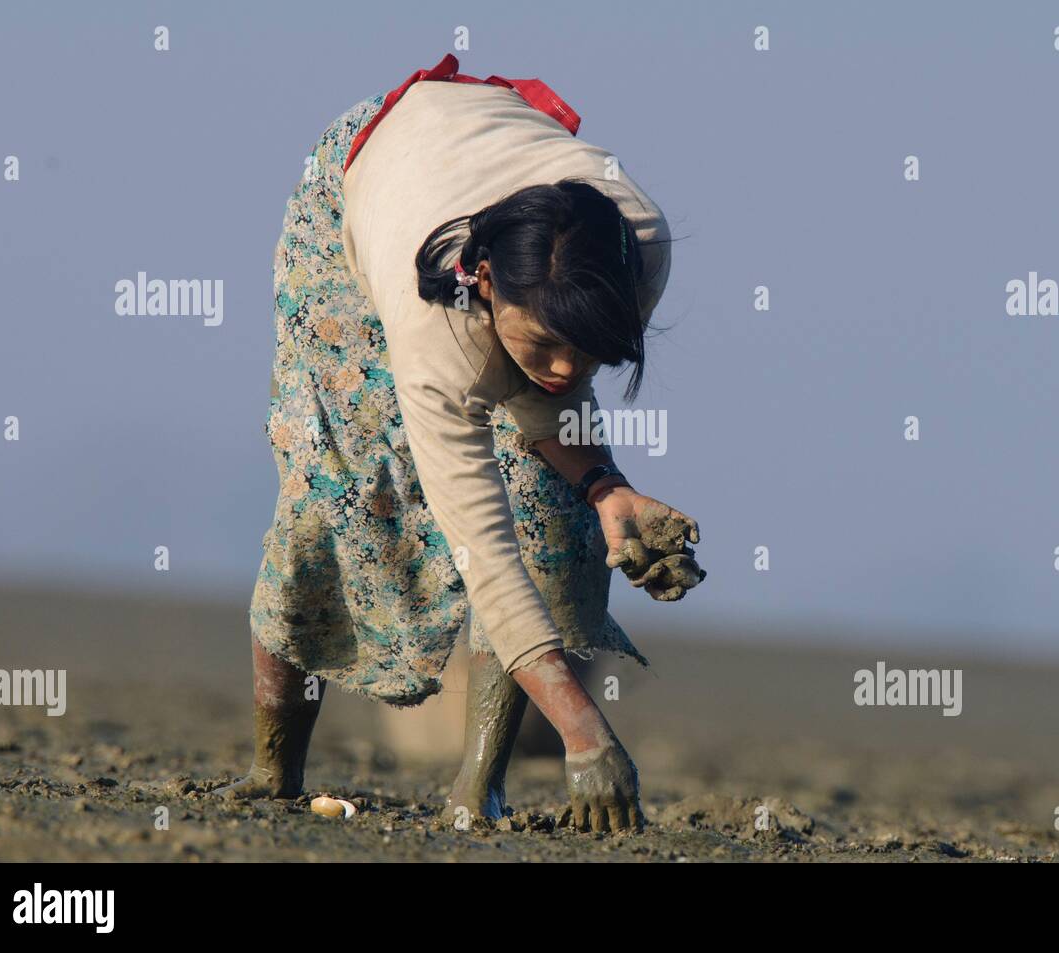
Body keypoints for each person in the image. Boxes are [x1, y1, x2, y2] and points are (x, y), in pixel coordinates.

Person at [215, 54, 704, 834]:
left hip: (474, 157)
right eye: (545, 341)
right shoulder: (434, 329)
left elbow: (552, 394)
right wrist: (585, 733)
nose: (569, 367)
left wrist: (607, 490)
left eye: (589, 348)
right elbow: (485, 553)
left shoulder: (637, 247)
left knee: (549, 513)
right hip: (360, 183)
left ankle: (479, 788)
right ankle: (274, 766)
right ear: (482, 282)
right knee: (333, 489)